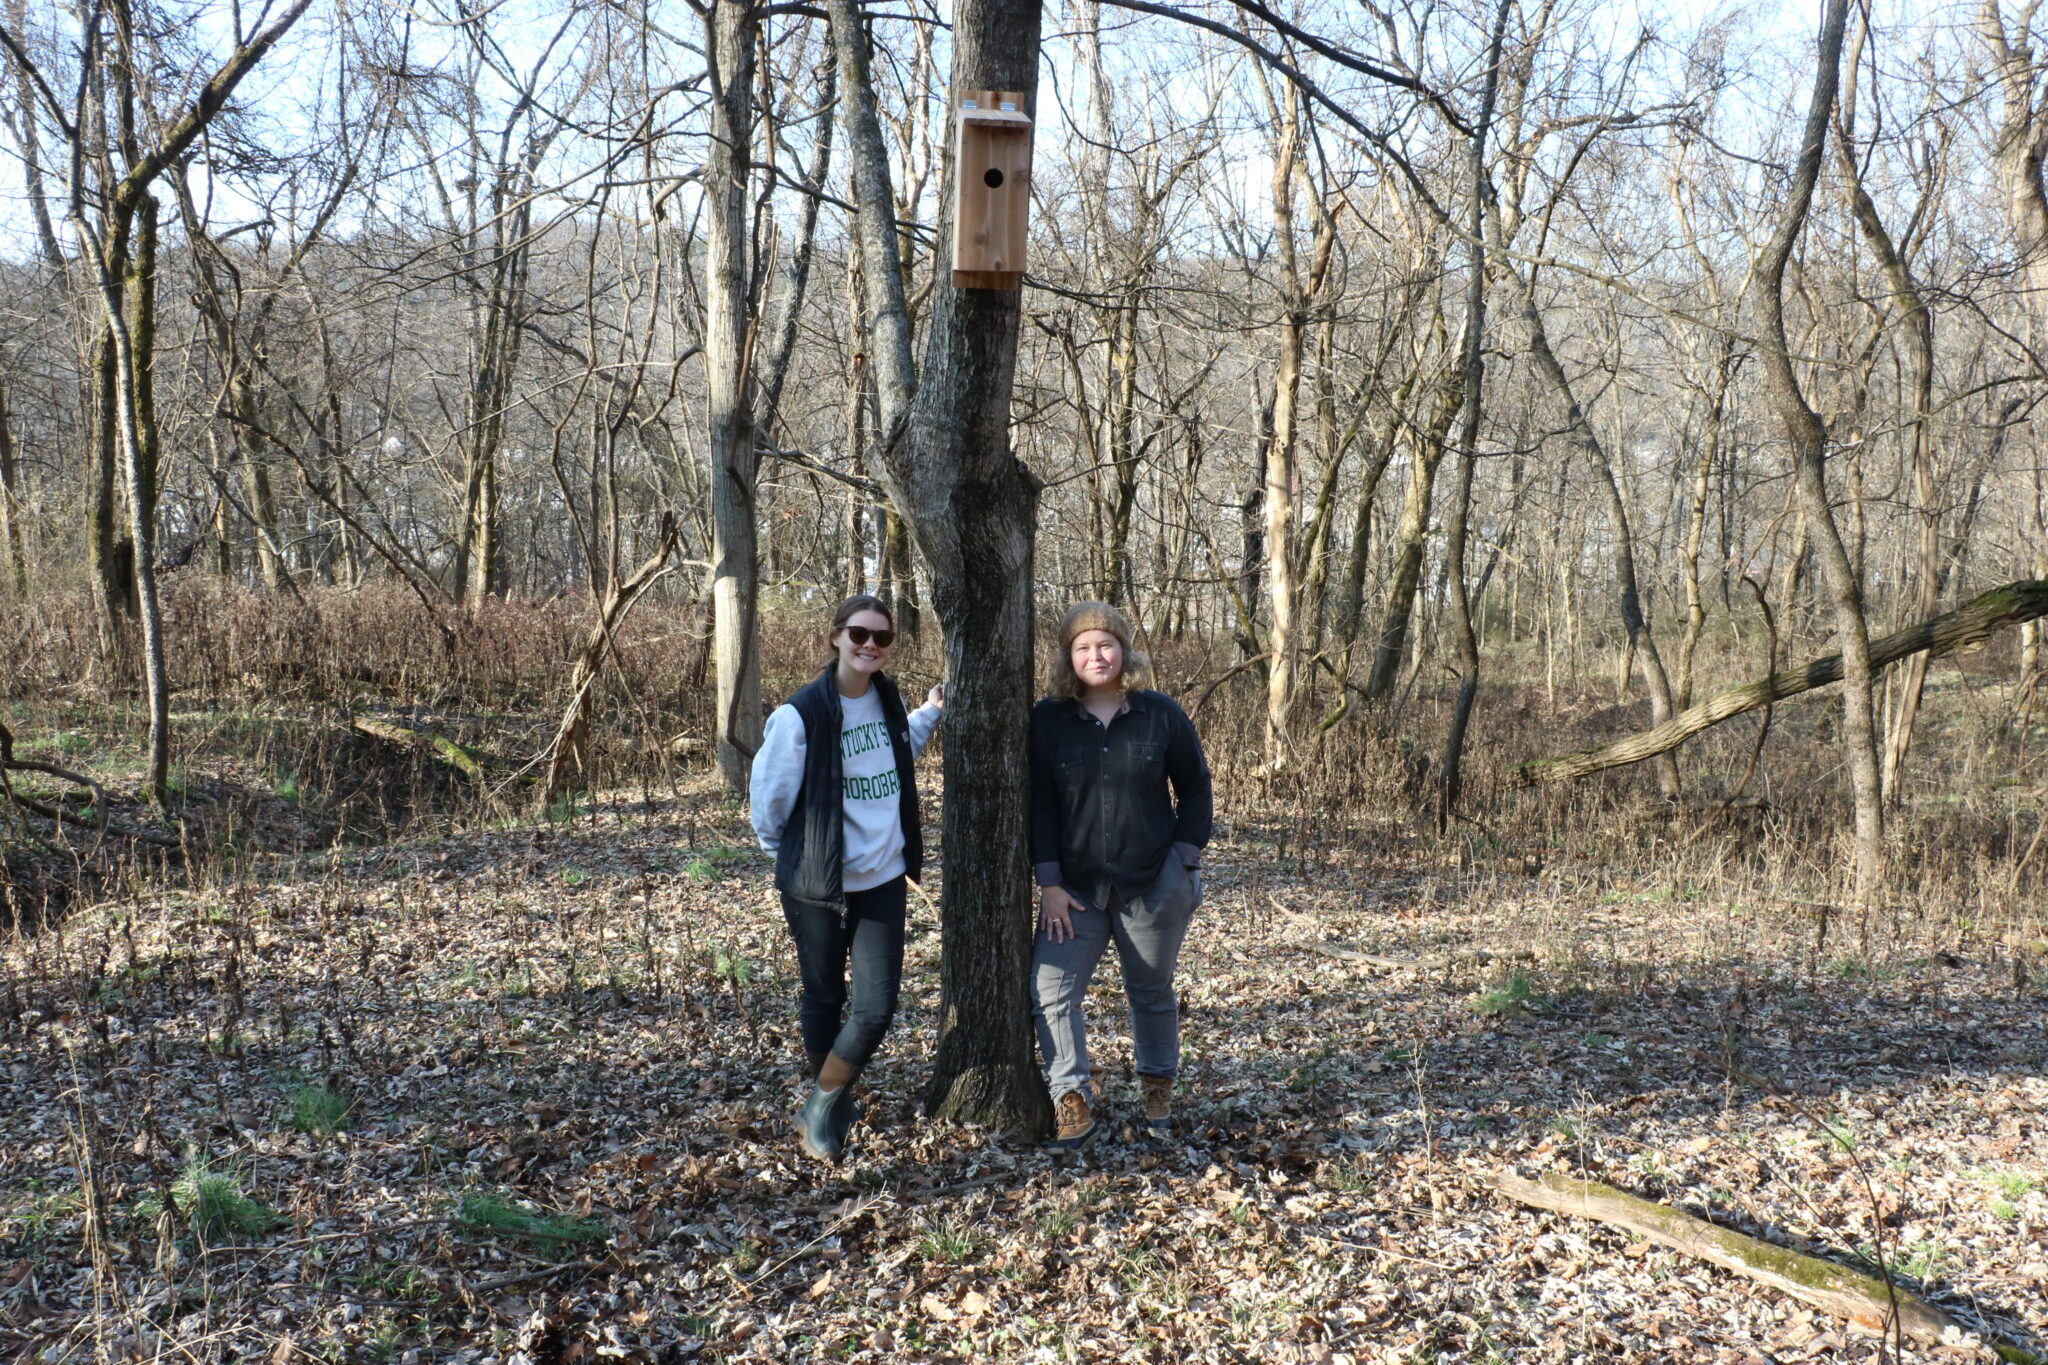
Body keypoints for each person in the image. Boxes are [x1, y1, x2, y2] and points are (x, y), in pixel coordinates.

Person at [750, 594, 942, 1160]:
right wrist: (790, 860)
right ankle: (831, 1102)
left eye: (882, 638)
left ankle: (821, 1101)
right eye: (859, 633)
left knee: (876, 1007)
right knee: (824, 996)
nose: (870, 646)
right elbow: (769, 799)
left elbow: (899, 751)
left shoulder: (887, 700)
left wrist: (929, 711)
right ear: (835, 636)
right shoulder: (800, 714)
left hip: (883, 879)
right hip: (816, 882)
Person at [1029, 602, 1212, 1150]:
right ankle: (1071, 1100)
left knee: (1150, 990)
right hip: (1076, 891)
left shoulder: (1160, 714)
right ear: (1068, 657)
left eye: (1105, 644)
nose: (1095, 655)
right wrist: (1049, 883)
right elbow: (1039, 805)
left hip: (1152, 884)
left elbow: (1196, 786)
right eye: (1083, 647)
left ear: (1124, 651)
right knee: (1050, 990)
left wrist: (1184, 859)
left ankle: (1157, 1088)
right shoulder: (1048, 720)